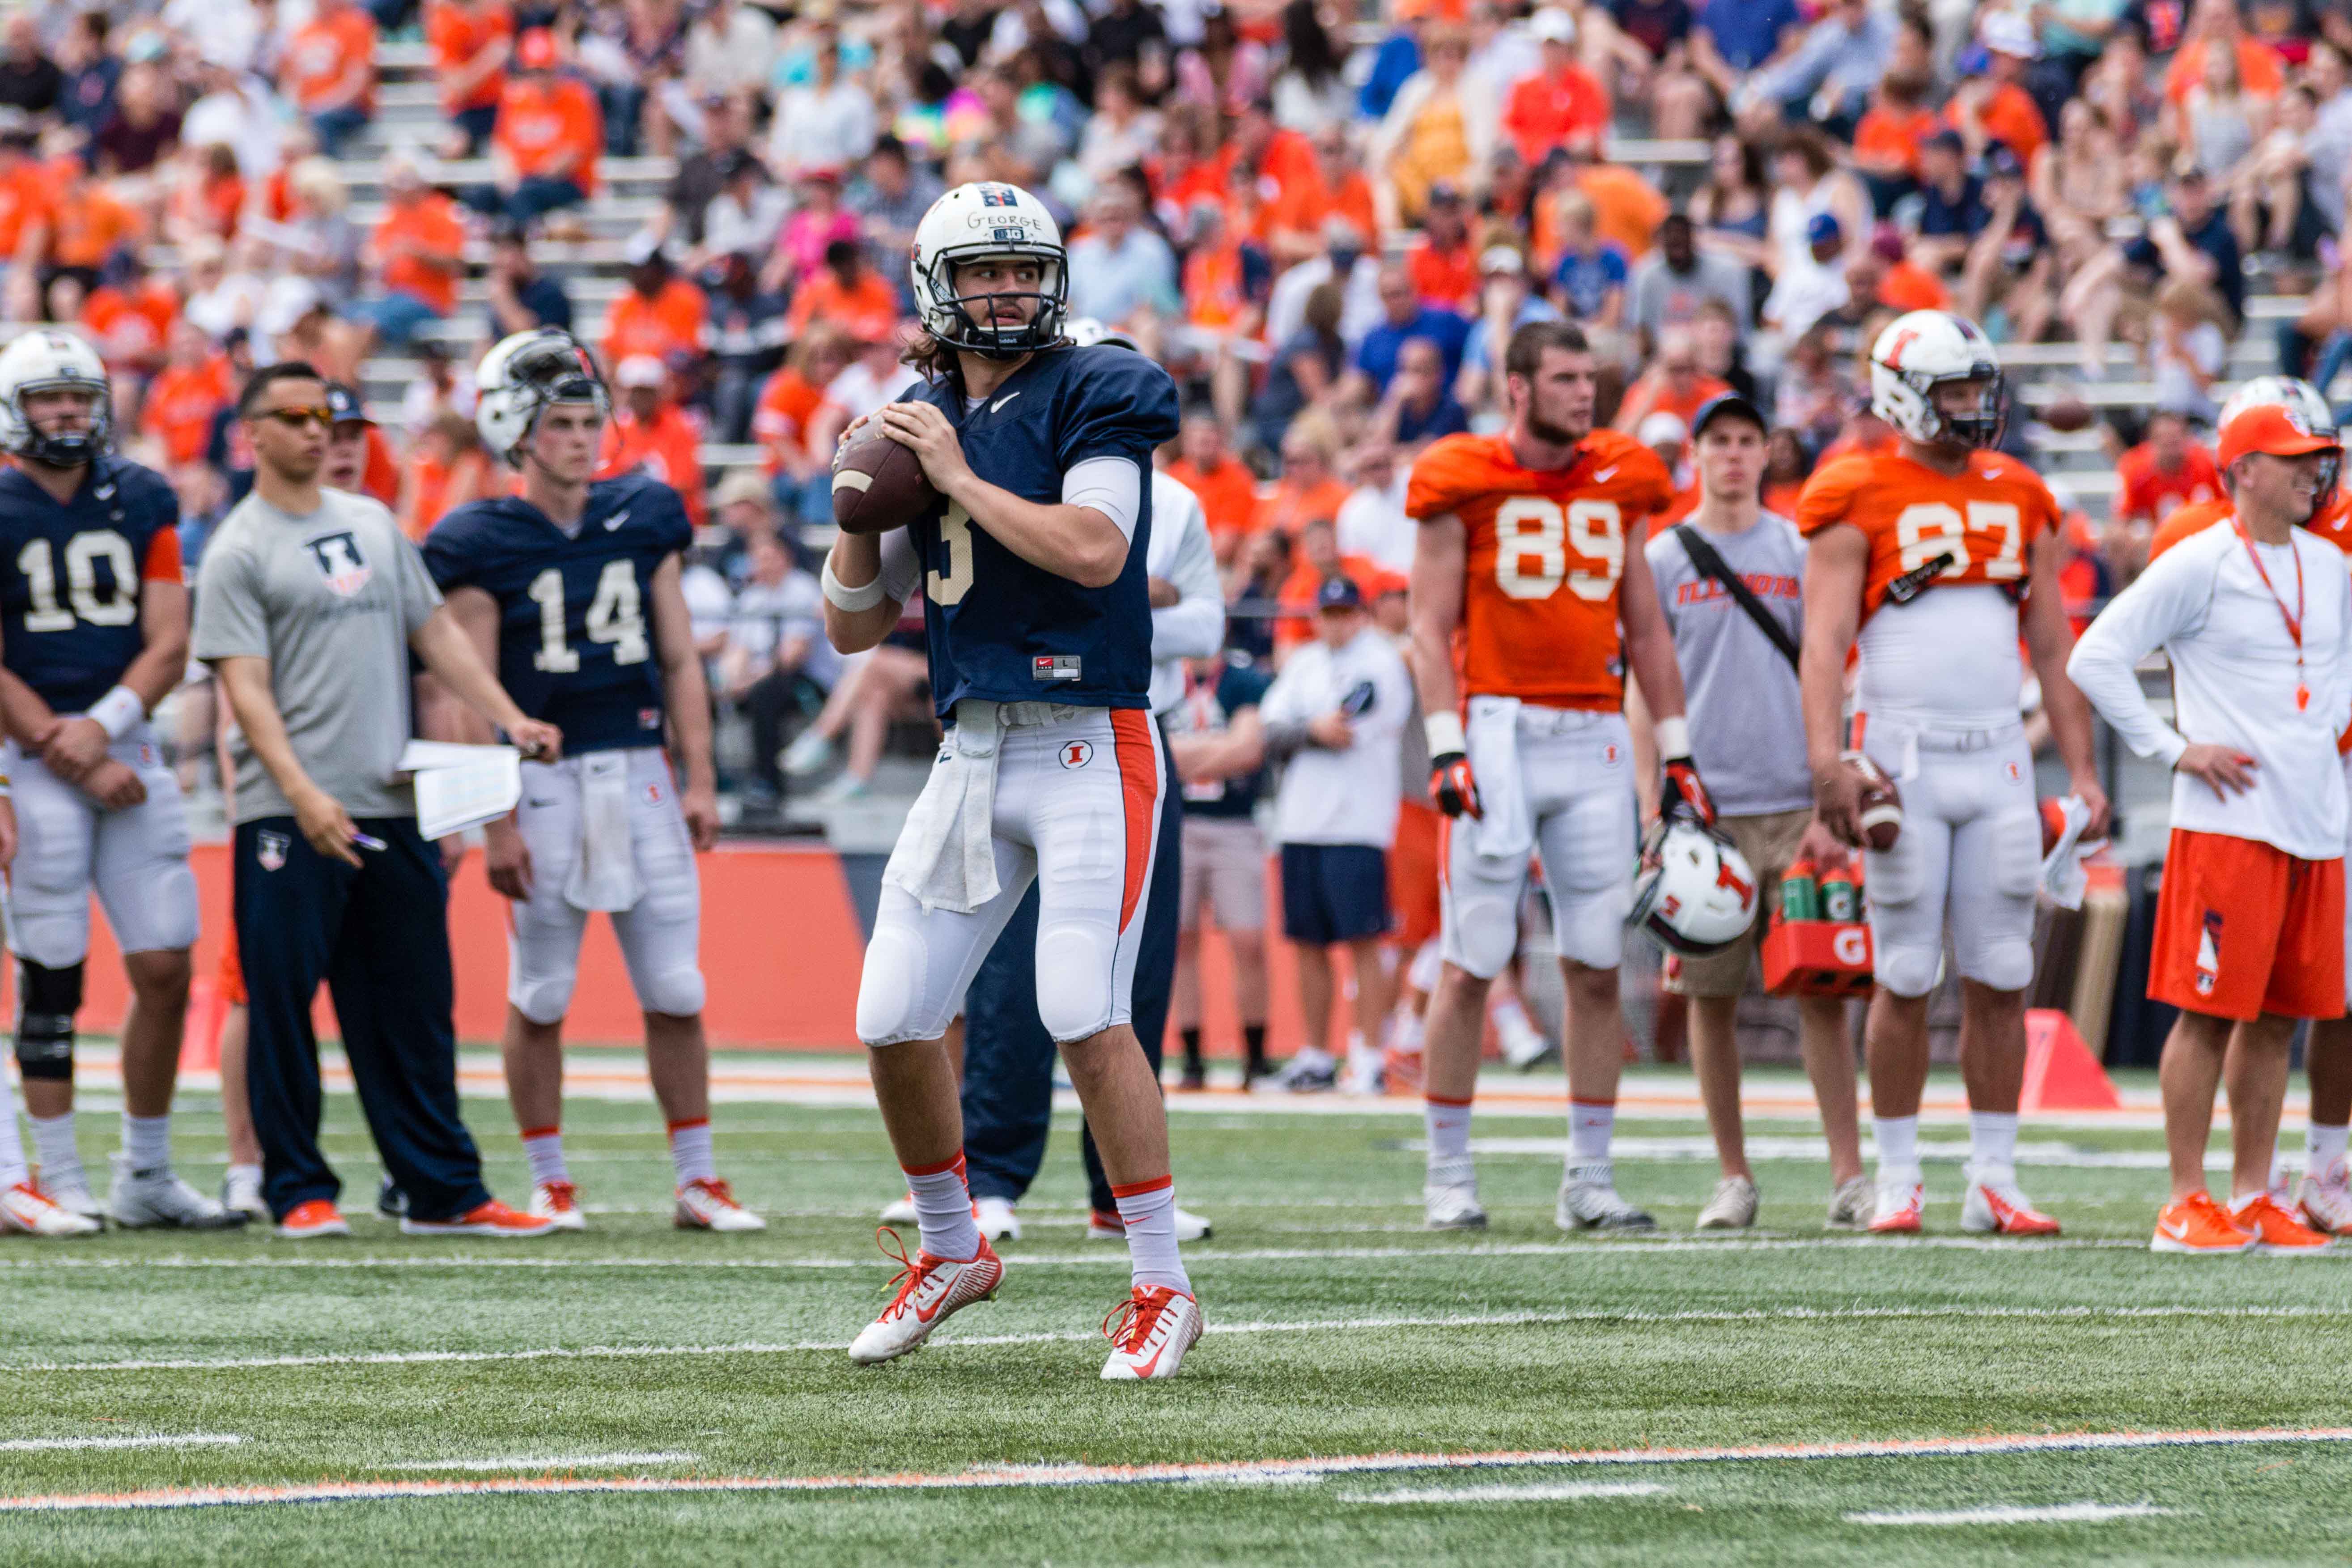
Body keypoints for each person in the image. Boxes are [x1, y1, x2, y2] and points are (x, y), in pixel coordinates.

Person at [817, 183, 1196, 1379]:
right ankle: (951, 1248)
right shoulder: (922, 411)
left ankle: (1161, 1284)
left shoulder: (1097, 384)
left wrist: (960, 478)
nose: (1006, 290)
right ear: (938, 286)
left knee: (1083, 1007)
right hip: (975, 745)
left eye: (1023, 269)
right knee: (889, 1021)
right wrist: (852, 513)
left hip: (1092, 735)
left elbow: (1095, 550)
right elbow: (853, 628)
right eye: (982, 272)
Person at [192, 361, 563, 1238]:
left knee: (413, 1005)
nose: (319, 430)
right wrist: (299, 794)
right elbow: (245, 691)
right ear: (253, 435)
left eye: (326, 416)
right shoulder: (237, 548)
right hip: (288, 811)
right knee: (282, 1007)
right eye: (295, 416)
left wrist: (507, 716)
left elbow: (433, 632)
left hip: (391, 801)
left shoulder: (371, 524)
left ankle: (442, 1190)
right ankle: (298, 1190)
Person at [423, 328, 758, 1234]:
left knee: (677, 987)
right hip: (542, 782)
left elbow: (682, 658)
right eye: (562, 423)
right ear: (516, 432)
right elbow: (464, 695)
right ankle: (550, 1178)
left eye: (588, 419)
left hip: (641, 767)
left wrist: (699, 777)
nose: (582, 438)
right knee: (541, 991)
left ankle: (697, 1176)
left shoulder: (645, 511)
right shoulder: (477, 538)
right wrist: (492, 822)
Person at [1798, 310, 2111, 1237]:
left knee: (2003, 971)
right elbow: (1821, 647)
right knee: (1902, 969)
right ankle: (1898, 1176)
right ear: (1902, 394)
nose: (1976, 407)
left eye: (1981, 388)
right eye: (1956, 392)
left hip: (1999, 760)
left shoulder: (2020, 491)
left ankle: (1993, 1175)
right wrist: (1825, 760)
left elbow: (2052, 644)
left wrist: (2084, 772)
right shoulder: (1851, 489)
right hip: (1904, 759)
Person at [1405, 320, 1706, 1231]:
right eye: (1567, 378)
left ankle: (1589, 1176)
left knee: (1597, 961)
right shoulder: (1463, 477)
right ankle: (1447, 1173)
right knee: (1471, 958)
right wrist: (1445, 742)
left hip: (1594, 733)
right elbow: (1426, 626)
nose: (1586, 392)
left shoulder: (1623, 478)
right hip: (1497, 730)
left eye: (1591, 376)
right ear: (1519, 388)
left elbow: (1646, 629)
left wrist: (1679, 747)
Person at [2068, 393, 2347, 1254]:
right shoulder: (2197, 561)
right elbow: (2094, 656)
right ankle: (2183, 1198)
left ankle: (2254, 1195)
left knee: (2275, 1019)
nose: (2315, 473)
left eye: (2318, 458)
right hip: (2227, 826)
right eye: (2296, 459)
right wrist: (2171, 748)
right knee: (2206, 1013)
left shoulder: (2328, 565)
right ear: (2243, 469)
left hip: (2313, 822)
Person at [0, 330, 229, 1231]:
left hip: (122, 746)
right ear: (18, 409)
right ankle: (58, 1174)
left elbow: (171, 636)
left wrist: (103, 730)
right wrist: (66, 744)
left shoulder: (140, 494)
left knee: (167, 957)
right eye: (49, 398)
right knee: (51, 968)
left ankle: (147, 1167)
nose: (67, 413)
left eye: (79, 396)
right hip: (29, 756)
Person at [1636, 394, 1868, 1230]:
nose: (1733, 456)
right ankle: (1732, 1175)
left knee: (1822, 993)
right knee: (1709, 999)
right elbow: (1641, 693)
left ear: (1764, 454)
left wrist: (1826, 789)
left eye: (1746, 441)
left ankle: (1848, 1173)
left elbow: (1832, 669)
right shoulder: (1661, 556)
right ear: (1694, 453)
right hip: (1703, 813)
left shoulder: (1795, 547)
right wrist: (1653, 809)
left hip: (1791, 800)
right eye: (1719, 441)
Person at [1260, 575, 1411, 1094]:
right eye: (1328, 612)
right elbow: (1270, 729)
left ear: (1361, 615)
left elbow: (1345, 726)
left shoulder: (1381, 661)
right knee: (1308, 942)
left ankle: (1369, 1053)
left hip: (1356, 821)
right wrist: (1308, 729)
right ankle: (1315, 1053)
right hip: (1301, 819)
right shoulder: (1303, 661)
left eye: (1345, 612)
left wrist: (1302, 730)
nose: (1336, 621)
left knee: (1362, 941)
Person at [1168, 643, 1273, 1089]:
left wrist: (1180, 760)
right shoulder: (1164, 676)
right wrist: (1219, 749)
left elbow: (1248, 749)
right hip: (1177, 822)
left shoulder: (1243, 678)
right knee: (1181, 943)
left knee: (1248, 940)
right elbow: (1145, 745)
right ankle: (1192, 1057)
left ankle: (1255, 1058)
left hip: (1234, 822)